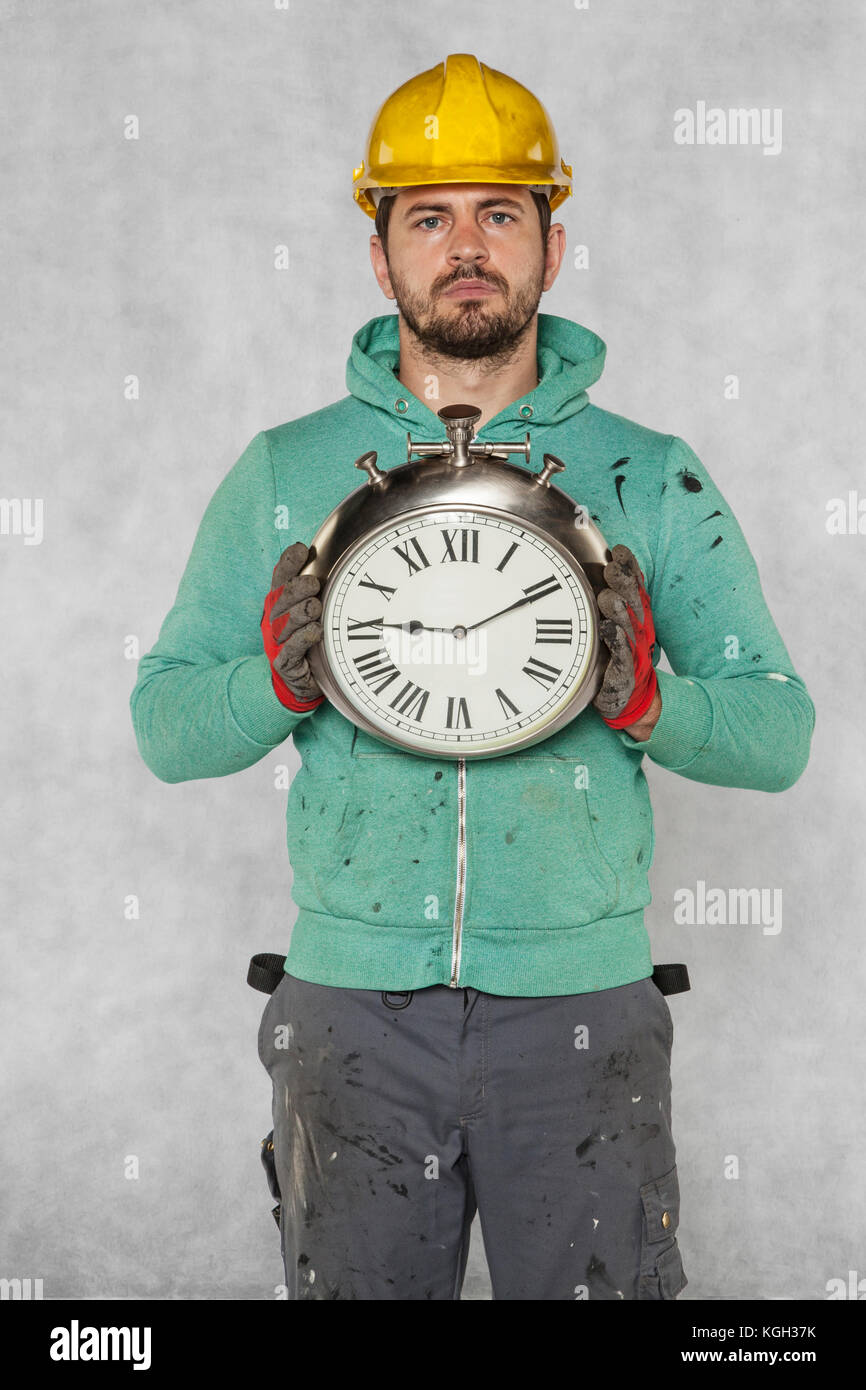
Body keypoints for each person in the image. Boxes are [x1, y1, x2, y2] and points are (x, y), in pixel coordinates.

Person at [129, 54, 815, 1300]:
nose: (464, 246)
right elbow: (166, 724)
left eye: (500, 213)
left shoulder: (647, 471)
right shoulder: (284, 468)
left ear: (553, 248)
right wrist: (277, 683)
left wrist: (649, 702)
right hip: (349, 1015)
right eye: (427, 215)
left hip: (581, 1010)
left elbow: (777, 735)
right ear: (377, 252)